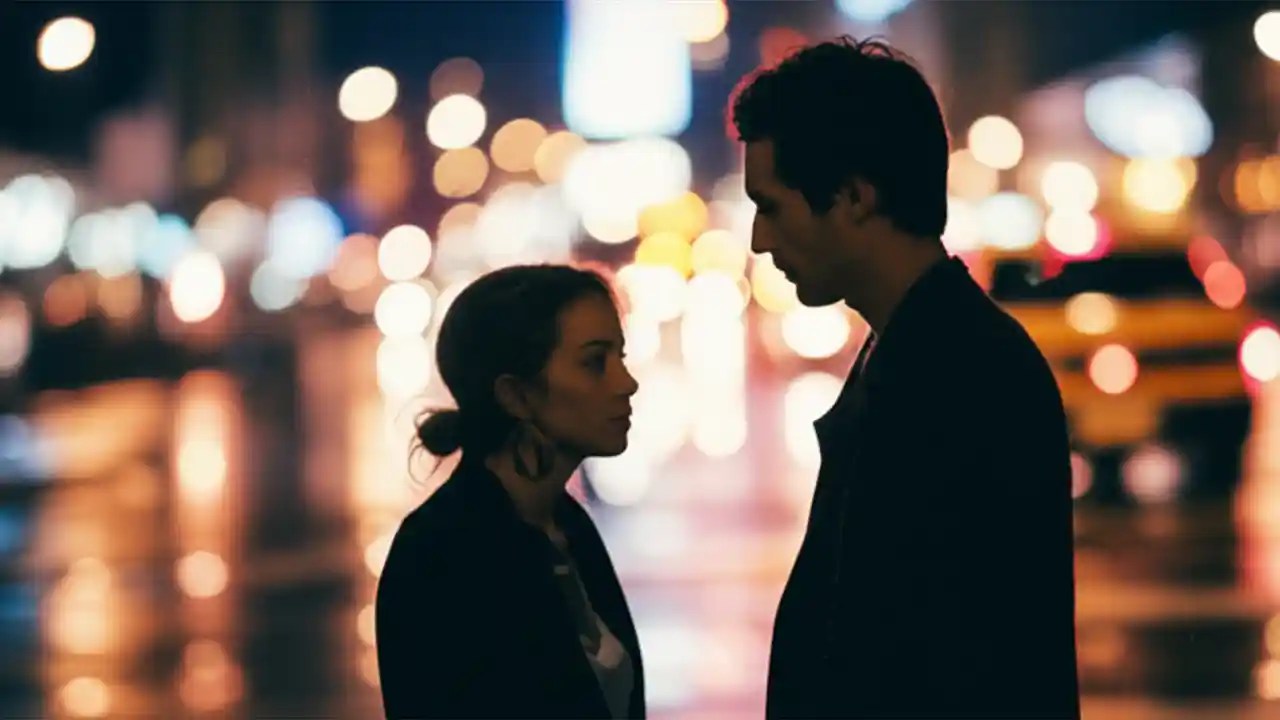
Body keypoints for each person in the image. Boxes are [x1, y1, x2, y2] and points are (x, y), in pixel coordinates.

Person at [729, 37, 1080, 718]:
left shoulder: (956, 374)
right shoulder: (921, 347)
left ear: (854, 197)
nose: (760, 241)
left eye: (771, 206)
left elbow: (943, 663)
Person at [375, 264, 644, 719]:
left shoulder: (568, 527)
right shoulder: (442, 553)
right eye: (595, 362)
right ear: (516, 396)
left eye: (620, 355)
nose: (626, 383)